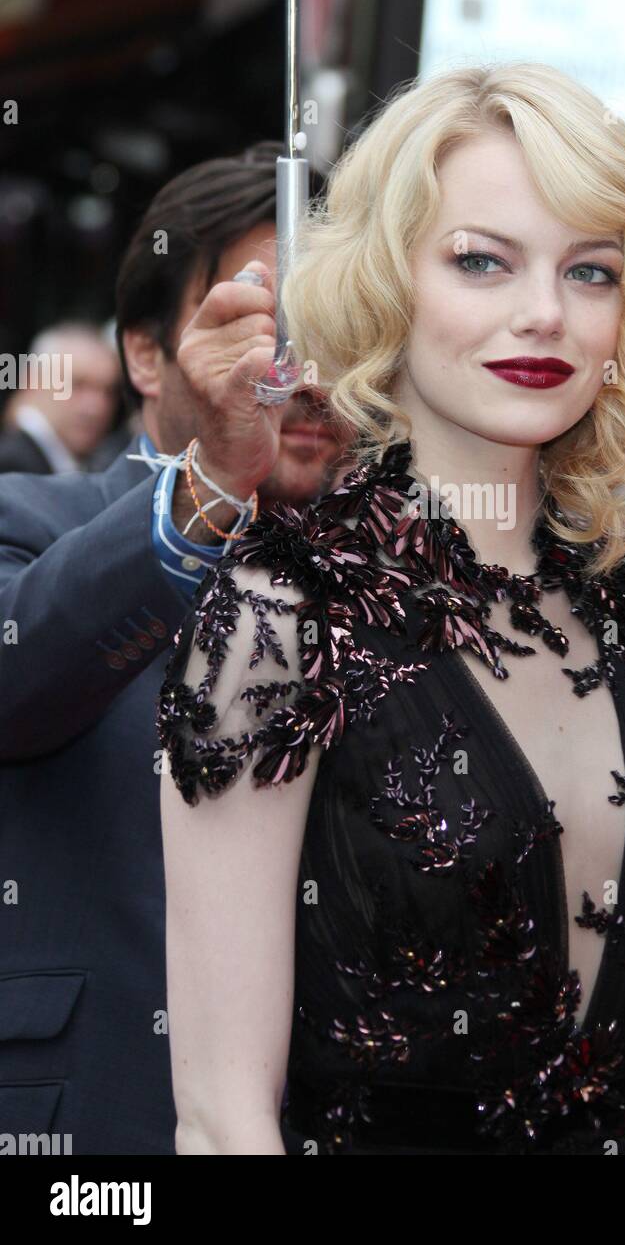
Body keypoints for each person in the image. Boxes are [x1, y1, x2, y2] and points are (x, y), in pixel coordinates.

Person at [157, 63, 625, 1156]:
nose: (545, 313)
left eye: (592, 270)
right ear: (388, 283)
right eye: (482, 260)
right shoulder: (284, 617)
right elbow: (223, 1112)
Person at [0, 142, 350, 1154]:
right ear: (147, 354)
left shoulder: (411, 572)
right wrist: (207, 491)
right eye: (265, 321)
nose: (304, 369)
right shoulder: (32, 518)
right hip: (96, 1126)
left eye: (343, 323)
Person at [0, 322, 122, 473]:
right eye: (76, 385)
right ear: (34, 380)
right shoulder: (12, 466)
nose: (95, 408)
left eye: (109, 392)